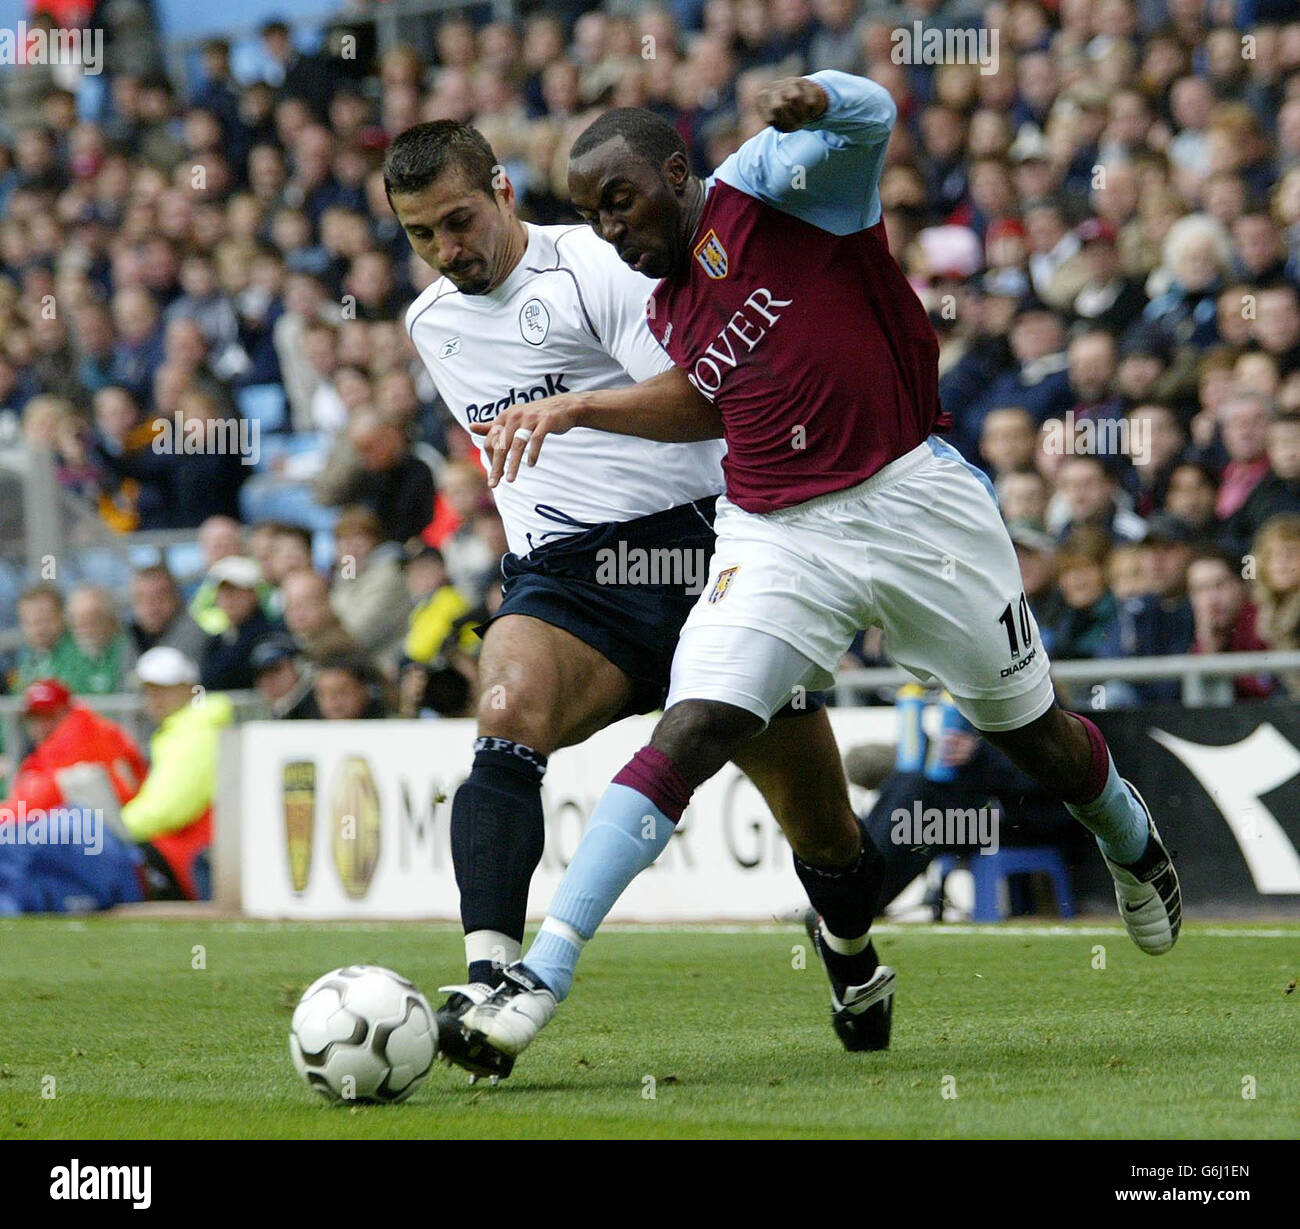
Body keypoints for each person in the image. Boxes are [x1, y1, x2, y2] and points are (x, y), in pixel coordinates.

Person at [467, 72, 1182, 1070]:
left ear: (676, 170)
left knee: (1032, 735)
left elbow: (872, 121)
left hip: (913, 502)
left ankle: (1124, 833)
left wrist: (822, 98)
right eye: (591, 216)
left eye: (619, 200)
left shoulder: (773, 190)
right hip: (773, 533)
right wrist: (583, 407)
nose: (611, 229)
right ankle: (537, 975)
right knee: (696, 722)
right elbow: (710, 402)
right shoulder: (668, 303)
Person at [385, 116, 874, 1075]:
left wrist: (574, 405)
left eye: (459, 220)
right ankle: (488, 972)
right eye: (420, 235)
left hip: (701, 550)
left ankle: (853, 955)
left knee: (825, 832)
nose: (448, 250)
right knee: (504, 709)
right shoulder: (428, 324)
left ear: (502, 193)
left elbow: (704, 399)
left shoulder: (596, 270)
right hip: (567, 578)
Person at [122, 647, 233, 900]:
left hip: (190, 857)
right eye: (149, 690)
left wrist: (117, 828)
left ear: (190, 688)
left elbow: (168, 810)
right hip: (189, 854)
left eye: (163, 688)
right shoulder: (185, 730)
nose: (154, 697)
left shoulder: (198, 733)